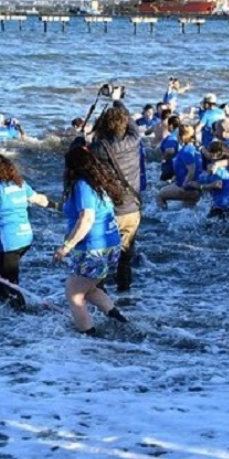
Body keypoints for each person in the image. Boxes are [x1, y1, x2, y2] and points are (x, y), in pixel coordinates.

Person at [54, 146, 127, 334]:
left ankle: (89, 337)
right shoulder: (98, 184)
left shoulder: (82, 185)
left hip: (93, 248)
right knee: (89, 287)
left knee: (74, 293)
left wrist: (66, 247)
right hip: (110, 245)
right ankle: (120, 321)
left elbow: (87, 218)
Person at [0, 153, 50, 310]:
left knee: (9, 282)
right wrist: (52, 203)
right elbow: (40, 200)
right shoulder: (20, 184)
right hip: (25, 238)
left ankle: (20, 317)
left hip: (8, 241)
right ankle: (5, 309)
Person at [89, 102, 144, 292]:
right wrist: (118, 102)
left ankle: (100, 294)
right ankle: (124, 291)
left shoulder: (98, 149)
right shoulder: (134, 140)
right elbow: (131, 122)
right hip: (132, 208)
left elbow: (85, 147)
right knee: (126, 255)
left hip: (108, 211)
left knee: (101, 254)